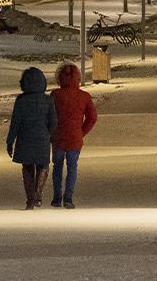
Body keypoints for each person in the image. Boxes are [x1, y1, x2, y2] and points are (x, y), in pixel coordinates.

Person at [6, 67, 57, 209]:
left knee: (27, 168)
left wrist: (10, 141)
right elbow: (53, 121)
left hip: (24, 139)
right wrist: (49, 134)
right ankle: (38, 195)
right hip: (42, 138)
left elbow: (15, 122)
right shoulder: (48, 100)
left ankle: (30, 200)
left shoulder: (21, 100)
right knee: (43, 166)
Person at [50, 63, 97, 209]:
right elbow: (92, 117)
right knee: (72, 167)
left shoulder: (55, 95)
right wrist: (81, 132)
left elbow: (49, 116)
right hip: (75, 137)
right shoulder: (84, 96)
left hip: (58, 136)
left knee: (57, 167)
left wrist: (51, 132)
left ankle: (57, 198)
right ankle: (68, 198)